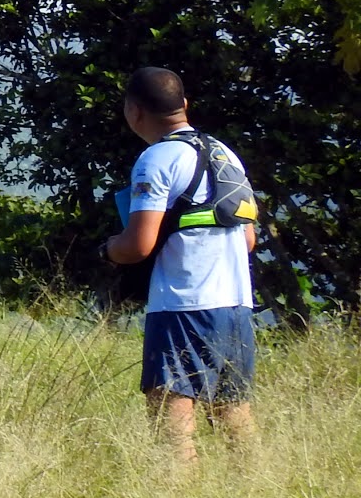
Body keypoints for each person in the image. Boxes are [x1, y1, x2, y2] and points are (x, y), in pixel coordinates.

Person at [102, 66, 260, 464]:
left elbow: (138, 245)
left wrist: (107, 250)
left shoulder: (156, 159)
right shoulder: (226, 154)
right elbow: (249, 239)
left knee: (171, 419)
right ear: (184, 106)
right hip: (235, 303)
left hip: (183, 304)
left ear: (133, 111)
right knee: (233, 415)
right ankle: (257, 491)